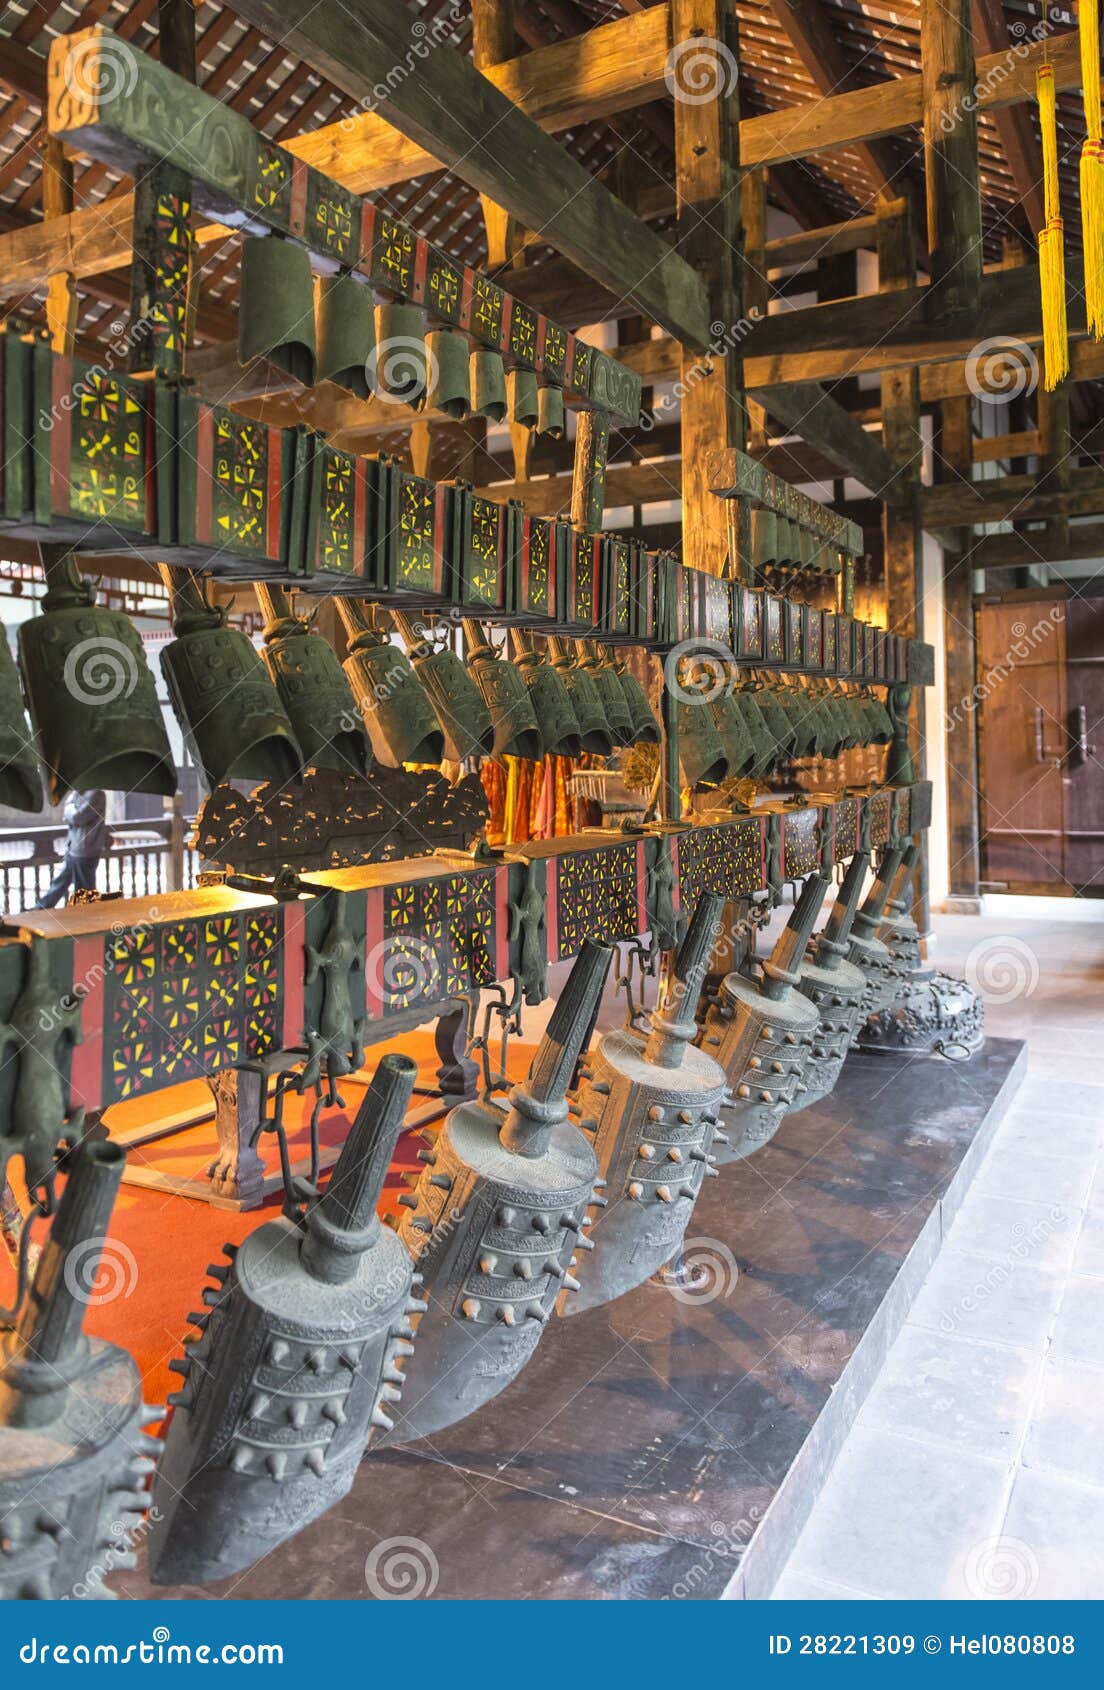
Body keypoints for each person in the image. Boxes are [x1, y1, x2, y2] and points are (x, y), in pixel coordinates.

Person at [36, 788, 110, 907]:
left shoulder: (96, 794)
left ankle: (86, 914)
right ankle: (41, 908)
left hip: (86, 848)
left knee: (83, 889)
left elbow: (78, 817)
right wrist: (71, 810)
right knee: (60, 882)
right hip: (73, 846)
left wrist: (70, 808)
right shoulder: (77, 792)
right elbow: (69, 814)